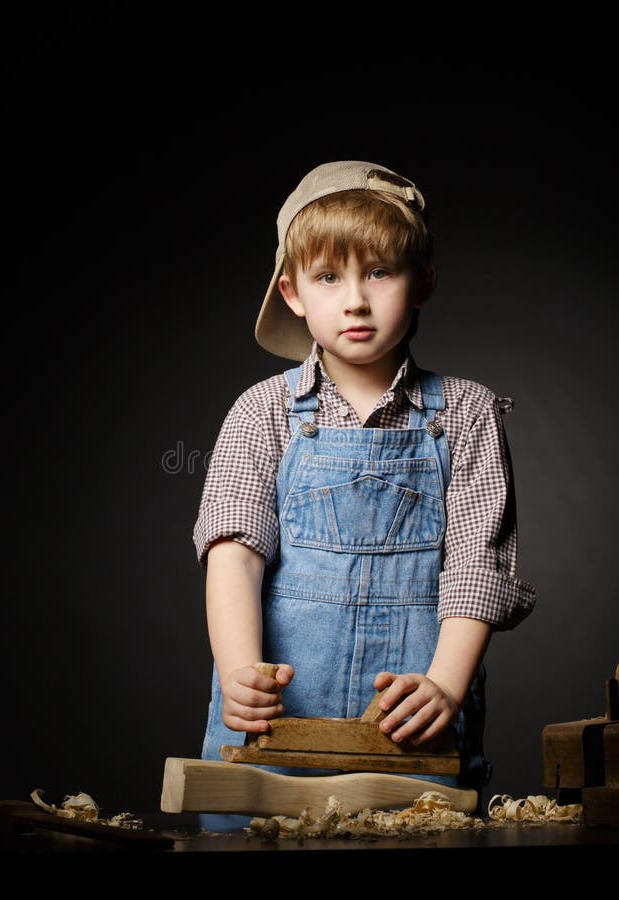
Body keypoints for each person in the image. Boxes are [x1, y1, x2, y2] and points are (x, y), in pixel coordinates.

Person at [193, 160, 536, 832]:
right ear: (293, 293)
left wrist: (444, 686)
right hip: (273, 741)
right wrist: (238, 672)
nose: (355, 299)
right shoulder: (262, 412)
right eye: (329, 276)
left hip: (412, 745)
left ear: (424, 283)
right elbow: (234, 552)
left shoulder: (465, 413)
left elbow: (477, 566)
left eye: (379, 272)